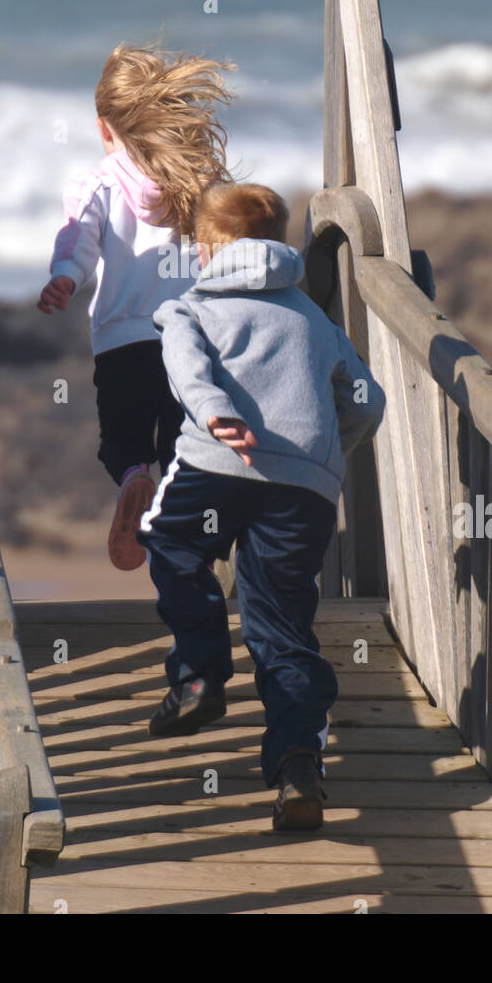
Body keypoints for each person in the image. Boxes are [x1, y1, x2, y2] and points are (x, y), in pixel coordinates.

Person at [139, 181, 385, 831]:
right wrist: (324, 458)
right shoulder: (313, 319)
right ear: (276, 244)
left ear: (208, 248)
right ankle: (298, 763)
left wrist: (218, 416)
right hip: (303, 486)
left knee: (170, 542)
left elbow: (187, 371)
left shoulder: (189, 307)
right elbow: (367, 400)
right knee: (280, 622)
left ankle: (198, 676)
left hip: (217, 463)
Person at [37, 42, 233, 570]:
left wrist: (64, 279)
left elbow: (77, 242)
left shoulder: (96, 184)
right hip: (190, 340)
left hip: (122, 341)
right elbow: (223, 250)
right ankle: (177, 527)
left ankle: (132, 479)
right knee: (182, 444)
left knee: (120, 440)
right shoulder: (198, 181)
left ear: (105, 128)